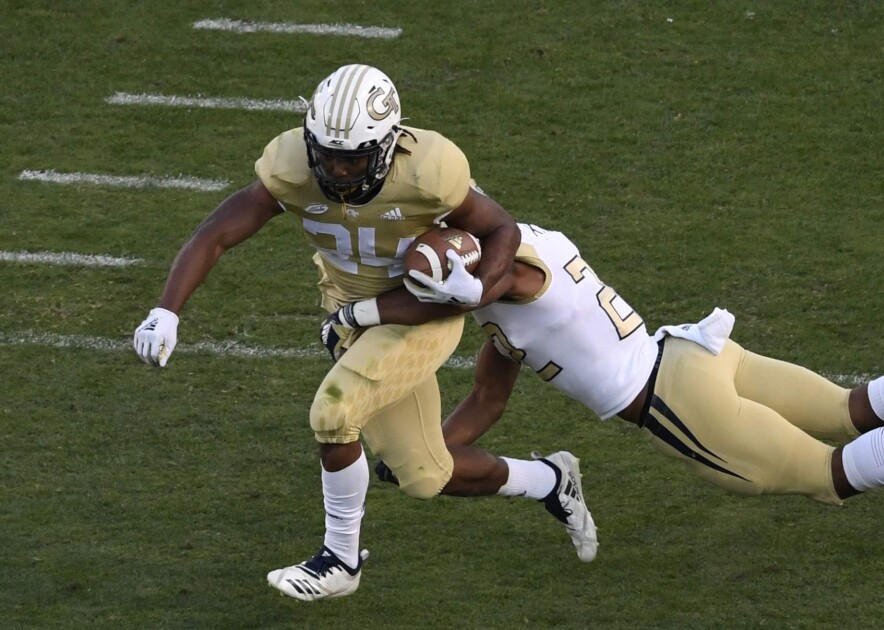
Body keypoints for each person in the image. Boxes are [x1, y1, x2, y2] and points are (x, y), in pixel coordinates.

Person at [132, 66, 596, 602]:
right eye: (327, 154)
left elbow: (500, 228)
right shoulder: (290, 166)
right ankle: (550, 480)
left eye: (353, 157)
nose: (337, 168)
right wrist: (166, 310)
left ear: (387, 145)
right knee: (425, 474)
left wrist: (476, 287)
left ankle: (340, 561)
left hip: (418, 315)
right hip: (348, 313)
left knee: (333, 415)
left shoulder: (428, 171)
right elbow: (216, 232)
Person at [332, 223, 884, 513]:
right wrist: (426, 453)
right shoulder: (530, 247)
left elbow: (478, 293)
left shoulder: (507, 285)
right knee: (846, 408)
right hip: (694, 352)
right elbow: (487, 398)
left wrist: (366, 312)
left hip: (673, 401)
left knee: (828, 477)